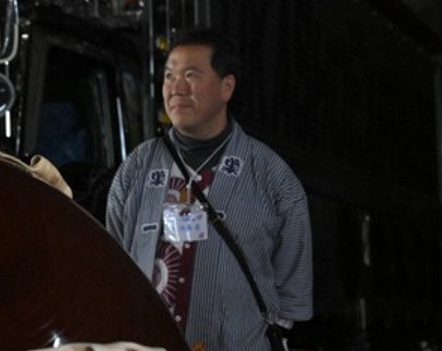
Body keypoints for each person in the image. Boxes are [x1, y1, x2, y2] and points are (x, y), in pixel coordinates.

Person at [105, 29, 312, 350]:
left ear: (226, 87)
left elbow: (292, 285)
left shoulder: (271, 175)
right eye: (170, 76)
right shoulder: (137, 168)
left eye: (191, 75)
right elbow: (113, 265)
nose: (177, 88)